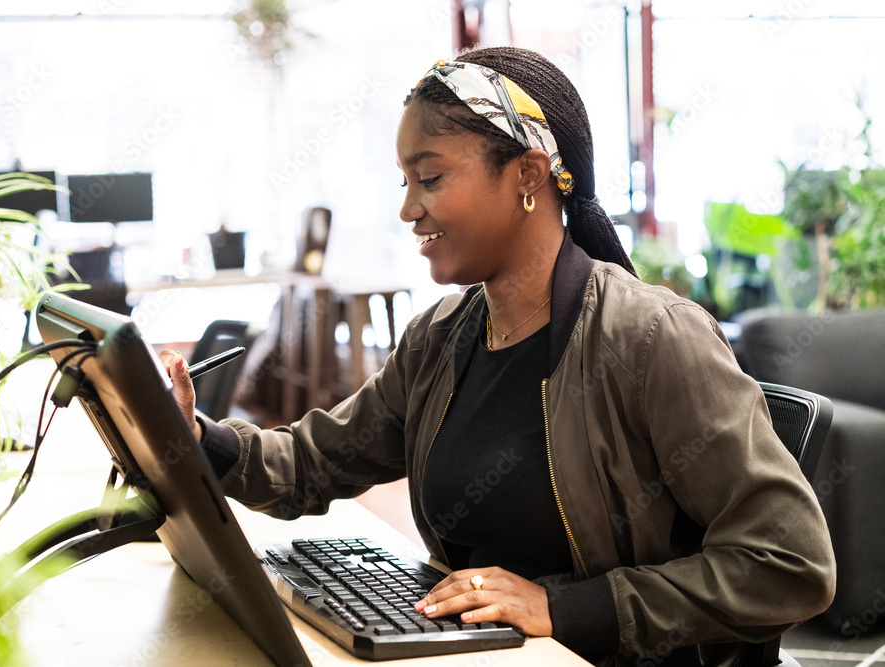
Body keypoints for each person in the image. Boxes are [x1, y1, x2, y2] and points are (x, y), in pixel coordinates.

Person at [160, 46, 834, 666]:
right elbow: (314, 461)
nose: (408, 209)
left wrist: (563, 607)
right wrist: (198, 439)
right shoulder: (440, 338)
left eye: (428, 177)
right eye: (404, 181)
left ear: (528, 175)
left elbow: (790, 561)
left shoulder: (652, 339)